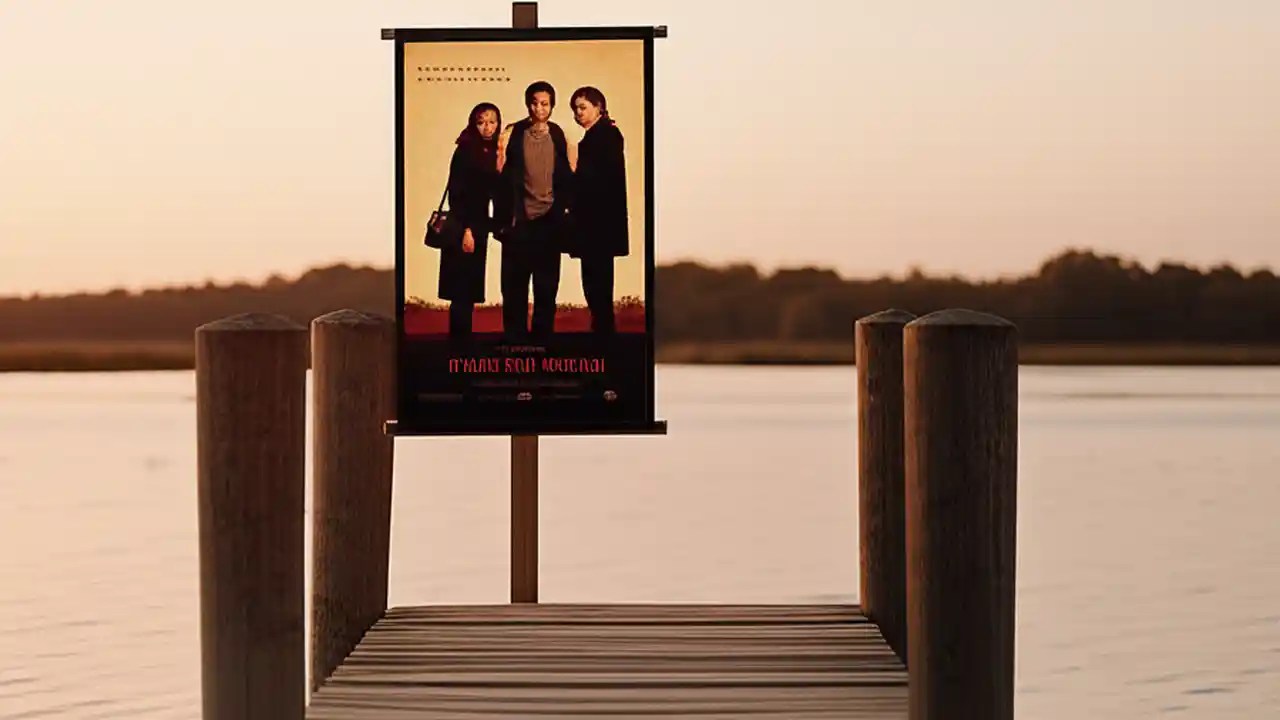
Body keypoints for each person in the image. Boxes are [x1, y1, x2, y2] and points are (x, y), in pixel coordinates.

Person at [495, 80, 574, 341]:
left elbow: (568, 175)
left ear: (552, 106)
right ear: (527, 103)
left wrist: (563, 212)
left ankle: (542, 344)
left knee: (546, 288)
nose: (539, 108)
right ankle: (515, 344)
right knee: (514, 289)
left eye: (545, 103)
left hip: (549, 225)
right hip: (519, 223)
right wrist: (504, 220)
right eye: (535, 103)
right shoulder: (513, 133)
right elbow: (500, 175)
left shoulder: (559, 135)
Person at [437, 102, 502, 337]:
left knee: (469, 288)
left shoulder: (491, 149)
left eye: (492, 121)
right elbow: (457, 193)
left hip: (479, 225)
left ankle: (463, 341)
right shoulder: (466, 149)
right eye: (482, 122)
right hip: (464, 226)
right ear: (474, 123)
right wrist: (466, 229)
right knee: (461, 290)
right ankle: (459, 344)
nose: (488, 127)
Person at [568, 86, 629, 334]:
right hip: (594, 224)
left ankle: (604, 336)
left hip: (598, 225)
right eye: (575, 109)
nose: (578, 113)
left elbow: (597, 180)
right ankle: (602, 332)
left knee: (598, 284)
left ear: (598, 107)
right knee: (595, 283)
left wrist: (573, 165)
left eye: (582, 107)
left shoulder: (606, 135)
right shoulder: (600, 135)